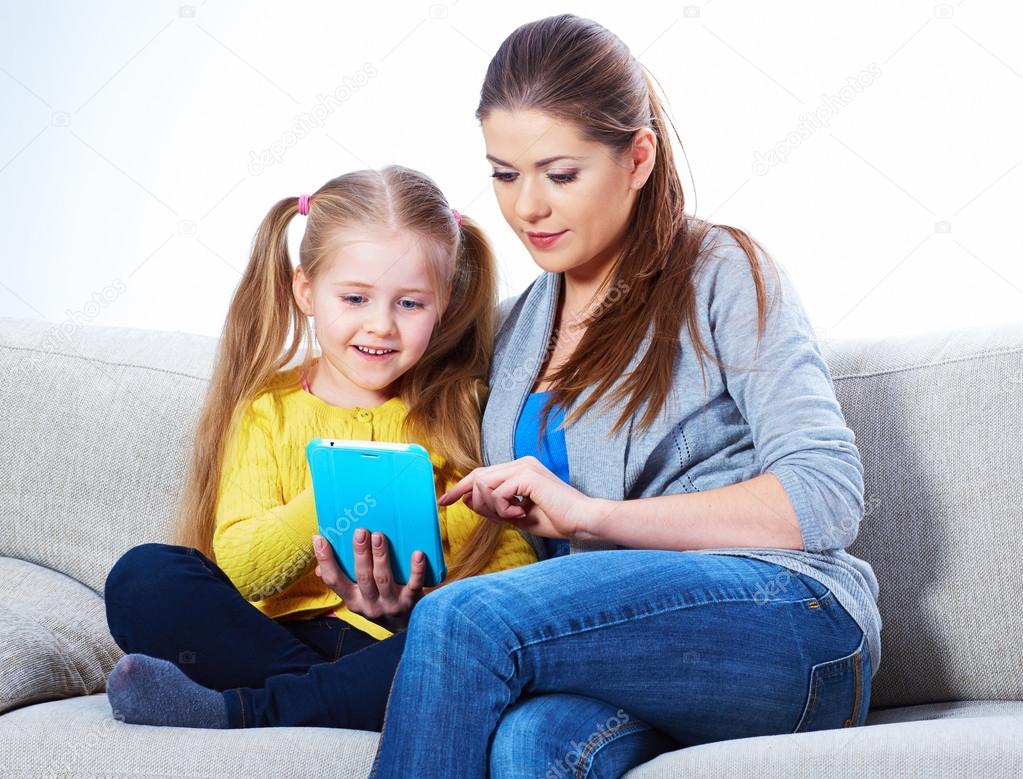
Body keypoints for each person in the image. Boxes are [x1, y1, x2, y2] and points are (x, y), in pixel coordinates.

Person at [366, 14, 881, 777]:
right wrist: (397, 592)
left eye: (559, 173)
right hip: (637, 656)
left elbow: (826, 494)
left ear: (637, 157)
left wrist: (593, 515)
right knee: (530, 745)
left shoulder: (721, 269)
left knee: (465, 621)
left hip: (791, 625)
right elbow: (547, 582)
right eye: (504, 174)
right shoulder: (517, 329)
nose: (526, 207)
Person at [102, 166, 538, 732]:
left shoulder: (458, 407)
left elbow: (510, 582)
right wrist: (336, 499)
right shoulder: (268, 408)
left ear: (446, 301)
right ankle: (331, 700)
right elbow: (243, 565)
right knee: (143, 577)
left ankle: (244, 711)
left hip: (398, 643)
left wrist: (411, 605)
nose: (380, 325)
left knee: (470, 651)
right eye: (355, 298)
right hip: (271, 641)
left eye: (410, 304)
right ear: (306, 290)